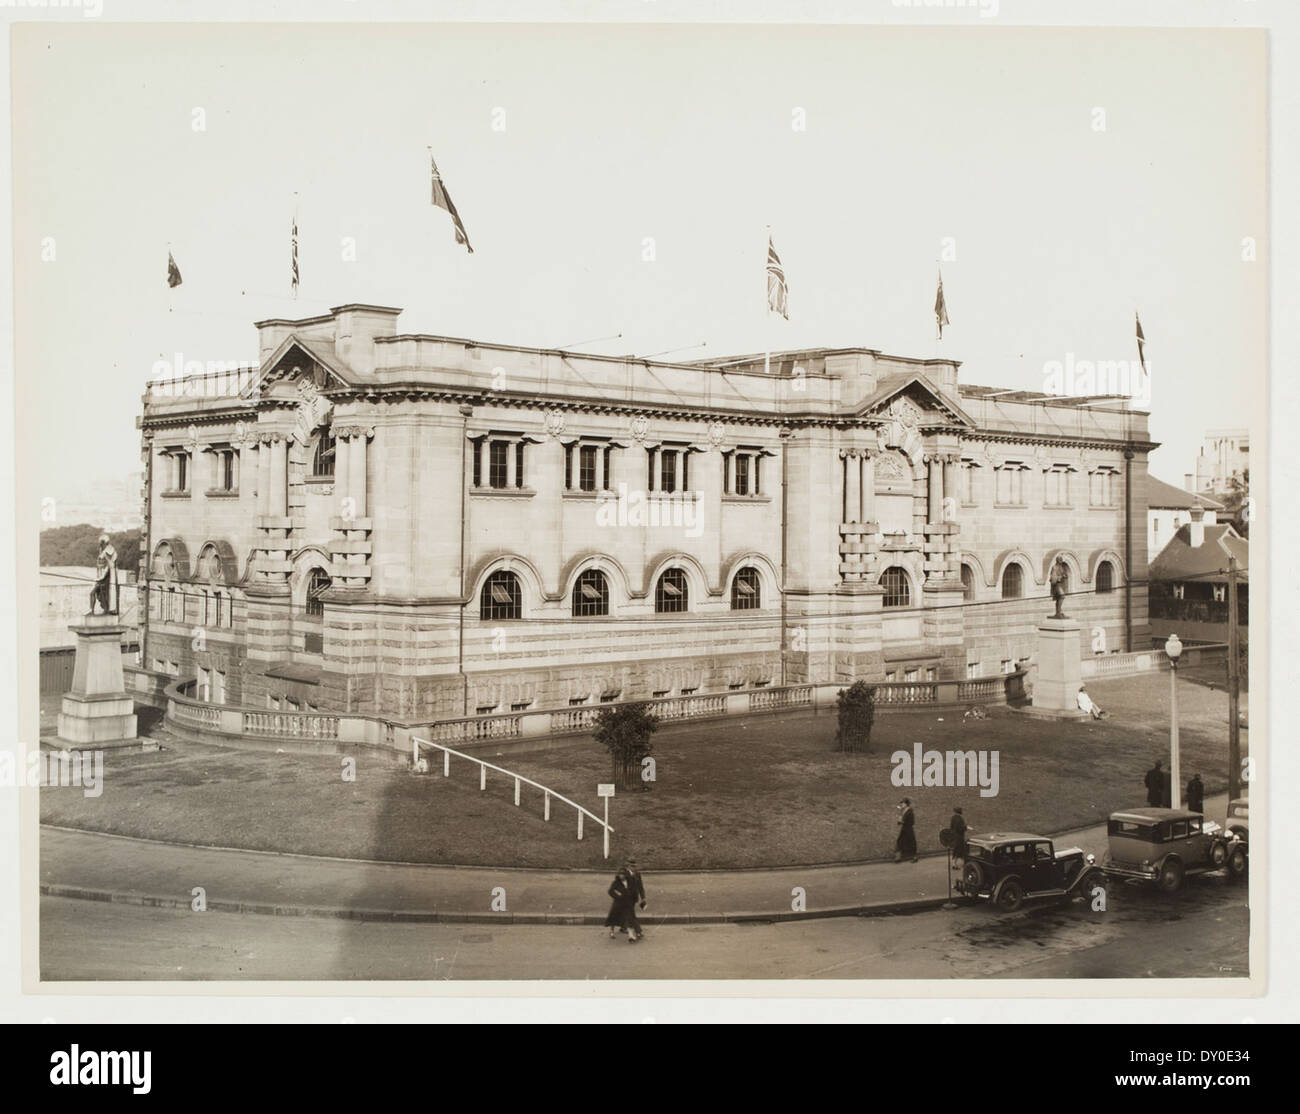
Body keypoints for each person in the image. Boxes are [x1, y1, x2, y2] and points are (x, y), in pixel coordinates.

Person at [605, 858, 646, 943]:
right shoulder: (624, 874)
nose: (634, 868)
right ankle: (635, 932)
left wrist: (643, 898)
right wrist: (618, 896)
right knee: (625, 915)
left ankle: (629, 930)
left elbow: (640, 886)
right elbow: (614, 889)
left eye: (635, 866)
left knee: (630, 914)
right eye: (632, 866)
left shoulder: (637, 874)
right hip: (623, 900)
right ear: (628, 866)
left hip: (632, 898)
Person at [895, 798, 918, 863]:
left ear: (906, 804)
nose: (901, 804)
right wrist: (899, 821)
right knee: (899, 841)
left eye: (903, 803)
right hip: (904, 829)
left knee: (911, 842)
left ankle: (915, 857)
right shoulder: (903, 811)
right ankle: (898, 858)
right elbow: (901, 820)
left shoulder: (910, 811)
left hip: (909, 829)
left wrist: (903, 821)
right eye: (901, 803)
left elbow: (912, 822)